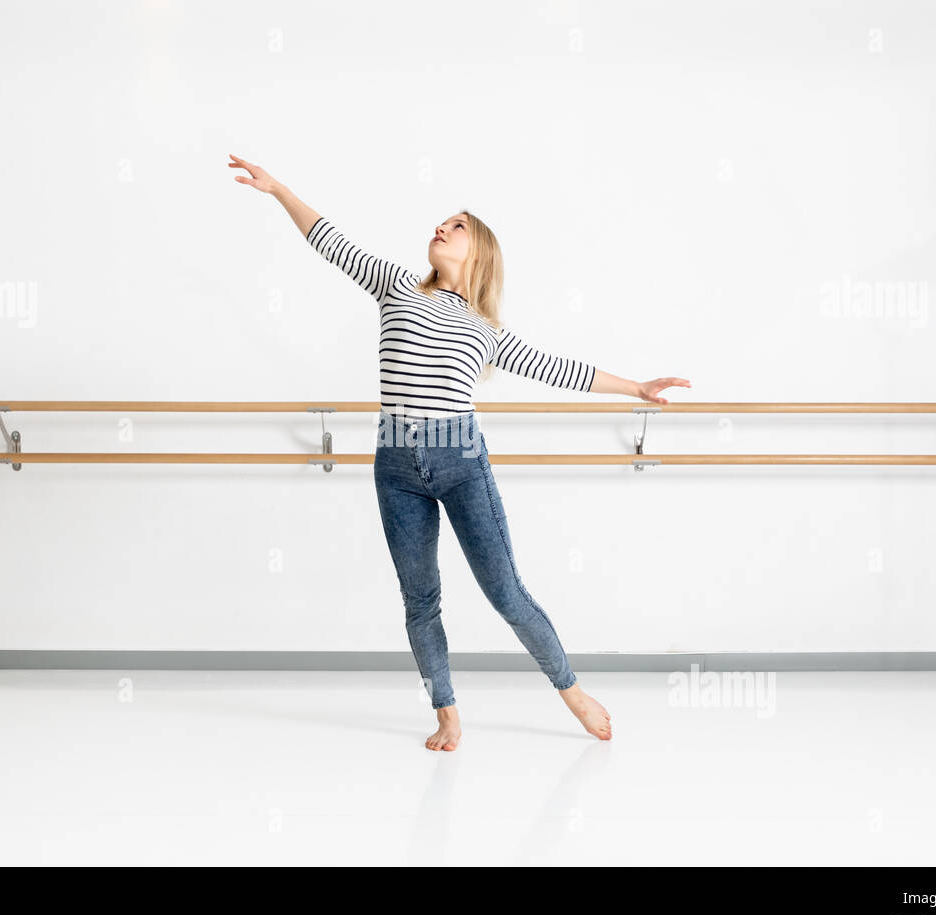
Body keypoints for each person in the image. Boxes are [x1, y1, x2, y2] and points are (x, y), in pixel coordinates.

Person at [229, 153, 691, 750]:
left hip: (460, 463)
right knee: (420, 599)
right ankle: (446, 712)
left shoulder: (483, 328)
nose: (440, 229)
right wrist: (279, 190)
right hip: (394, 467)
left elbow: (556, 367)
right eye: (440, 223)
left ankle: (571, 690)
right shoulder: (394, 284)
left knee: (505, 591)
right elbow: (330, 241)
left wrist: (636, 387)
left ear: (478, 254)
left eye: (457, 226)